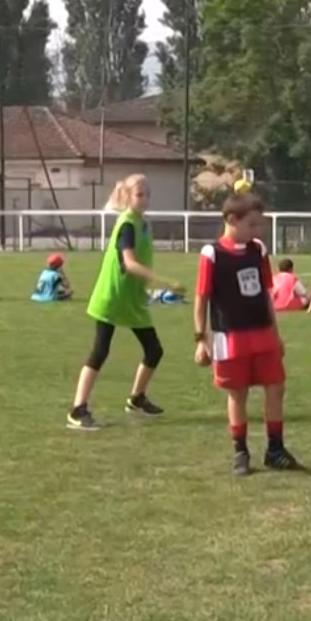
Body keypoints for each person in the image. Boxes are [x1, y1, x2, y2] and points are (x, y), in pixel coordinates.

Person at [195, 192, 301, 475]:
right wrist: (200, 339)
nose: (258, 231)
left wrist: (276, 335)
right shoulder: (212, 254)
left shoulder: (258, 251)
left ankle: (275, 449)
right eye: (252, 225)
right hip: (229, 338)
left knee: (276, 387)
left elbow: (267, 295)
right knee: (237, 394)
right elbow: (202, 298)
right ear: (232, 220)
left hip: (262, 332)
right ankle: (240, 451)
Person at [67, 174, 183, 431]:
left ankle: (136, 398)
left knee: (154, 350)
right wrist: (164, 282)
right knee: (100, 351)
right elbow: (129, 264)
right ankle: (77, 409)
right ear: (128, 197)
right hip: (113, 296)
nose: (144, 199)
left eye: (146, 194)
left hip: (131, 299)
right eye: (139, 195)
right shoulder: (128, 224)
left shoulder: (142, 224)